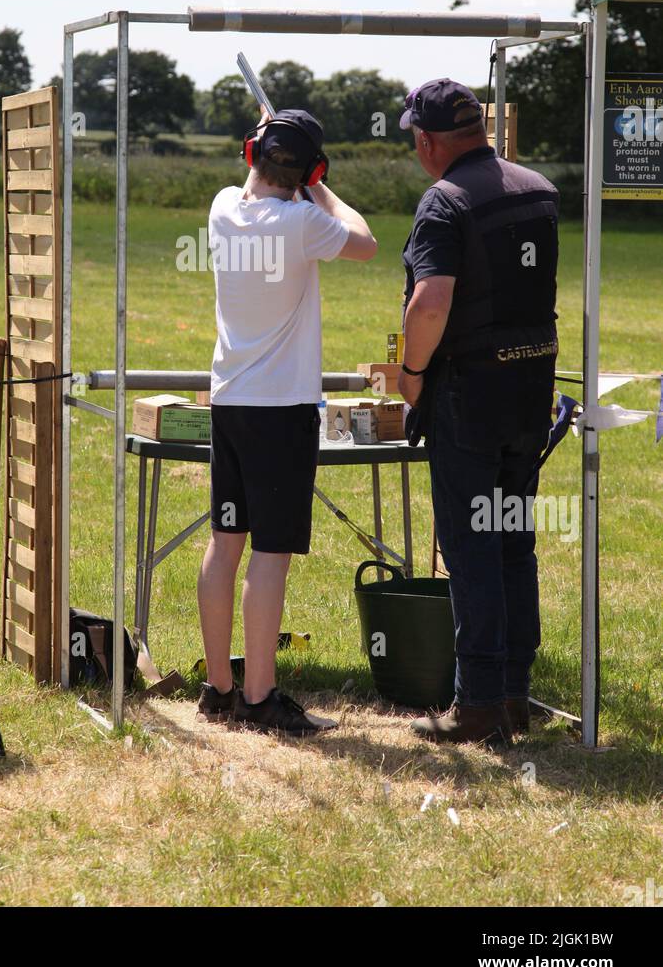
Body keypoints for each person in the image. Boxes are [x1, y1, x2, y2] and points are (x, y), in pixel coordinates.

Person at [197, 106, 377, 734]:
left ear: (251, 154)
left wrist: (290, 168)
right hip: (282, 413)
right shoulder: (305, 220)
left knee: (226, 544)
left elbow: (251, 180)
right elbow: (365, 240)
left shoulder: (223, 208)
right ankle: (260, 697)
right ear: (308, 170)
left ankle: (220, 688)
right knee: (270, 554)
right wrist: (319, 183)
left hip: (231, 403)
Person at [396, 79, 559, 747]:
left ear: (430, 140)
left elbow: (431, 301)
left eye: (414, 138)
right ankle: (516, 695)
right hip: (531, 391)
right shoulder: (539, 189)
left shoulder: (445, 201)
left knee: (470, 550)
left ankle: (478, 707)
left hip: (468, 393)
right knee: (514, 541)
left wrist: (410, 375)